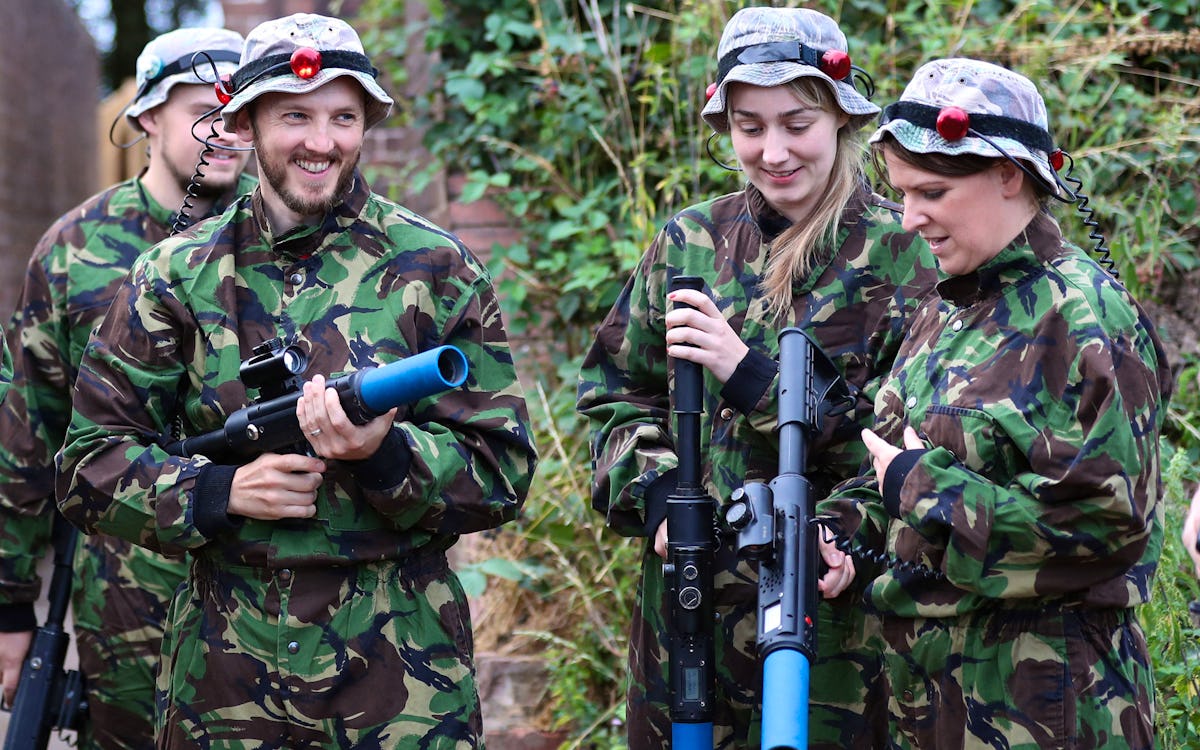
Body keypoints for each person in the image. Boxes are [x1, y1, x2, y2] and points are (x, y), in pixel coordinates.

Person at [55, 12, 536, 748]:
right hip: (222, 678)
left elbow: (502, 471)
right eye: (295, 116)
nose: (322, 141)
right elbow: (89, 465)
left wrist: (386, 455)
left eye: (343, 117)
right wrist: (219, 491)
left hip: (402, 676)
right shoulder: (175, 275)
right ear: (245, 124)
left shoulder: (436, 268)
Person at [577, 7, 938, 748]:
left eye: (797, 124)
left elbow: (910, 448)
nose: (774, 152)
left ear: (842, 118)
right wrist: (656, 497)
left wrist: (750, 378)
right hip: (687, 628)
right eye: (749, 127)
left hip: (832, 642)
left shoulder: (906, 253)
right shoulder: (690, 241)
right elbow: (614, 397)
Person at [817, 58, 1172, 749]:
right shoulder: (946, 305)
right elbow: (887, 462)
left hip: (1047, 709)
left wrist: (926, 490)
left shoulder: (1081, 317)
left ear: (1010, 175)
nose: (909, 218)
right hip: (929, 704)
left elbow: (1106, 533)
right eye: (902, 192)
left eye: (933, 192)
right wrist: (842, 535)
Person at [0, 27, 252, 749]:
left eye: (240, 114)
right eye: (204, 113)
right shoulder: (75, 249)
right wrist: (11, 605)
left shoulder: (285, 237)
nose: (225, 132)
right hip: (126, 595)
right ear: (147, 119)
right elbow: (27, 429)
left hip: (267, 579)